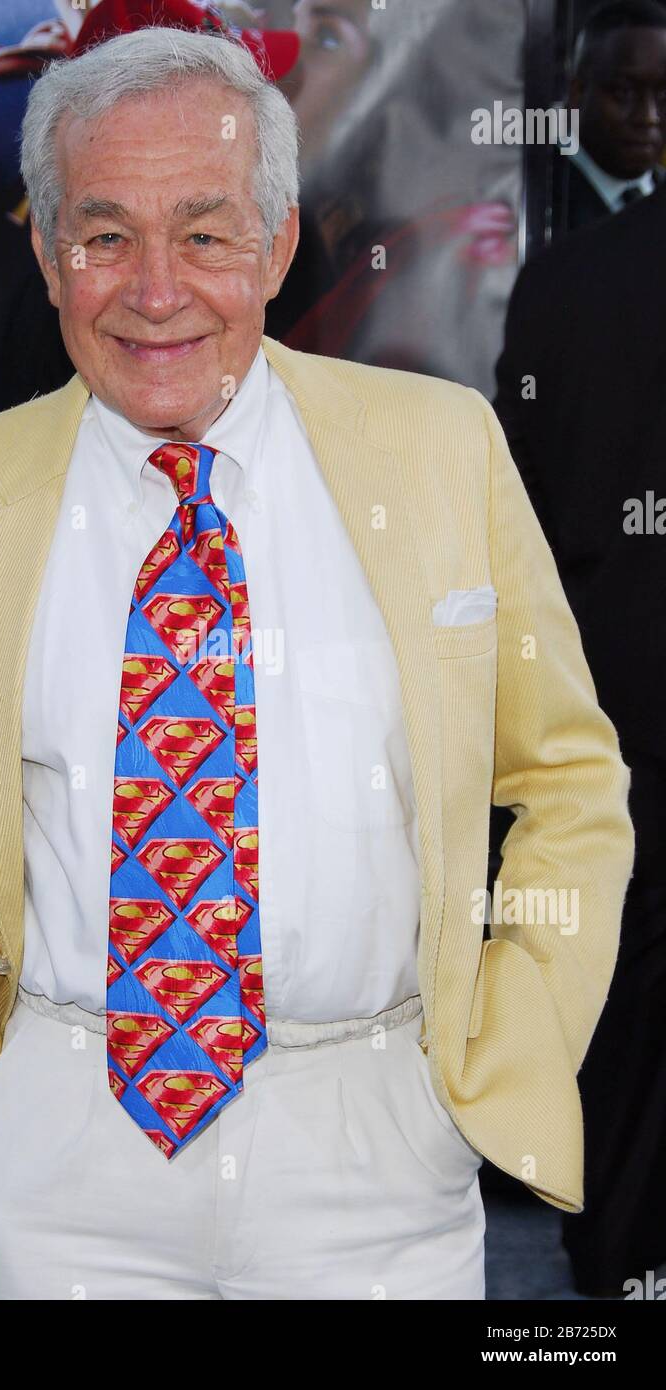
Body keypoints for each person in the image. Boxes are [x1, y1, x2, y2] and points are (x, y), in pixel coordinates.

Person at [0, 26, 634, 1301]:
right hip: (57, 1158)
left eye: (205, 234)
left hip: (376, 1150)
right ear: (47, 256)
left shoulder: (439, 454)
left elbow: (566, 784)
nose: (156, 290)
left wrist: (484, 1075)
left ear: (273, 246)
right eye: (104, 236)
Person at [493, 179, 666, 1296]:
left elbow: (518, 509)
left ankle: (616, 1253)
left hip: (610, 696)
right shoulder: (565, 278)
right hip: (611, 699)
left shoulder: (565, 277)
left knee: (622, 979)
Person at [560, 0, 666, 234]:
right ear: (577, 93)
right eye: (623, 93)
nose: (648, 117)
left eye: (663, 96)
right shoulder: (534, 202)